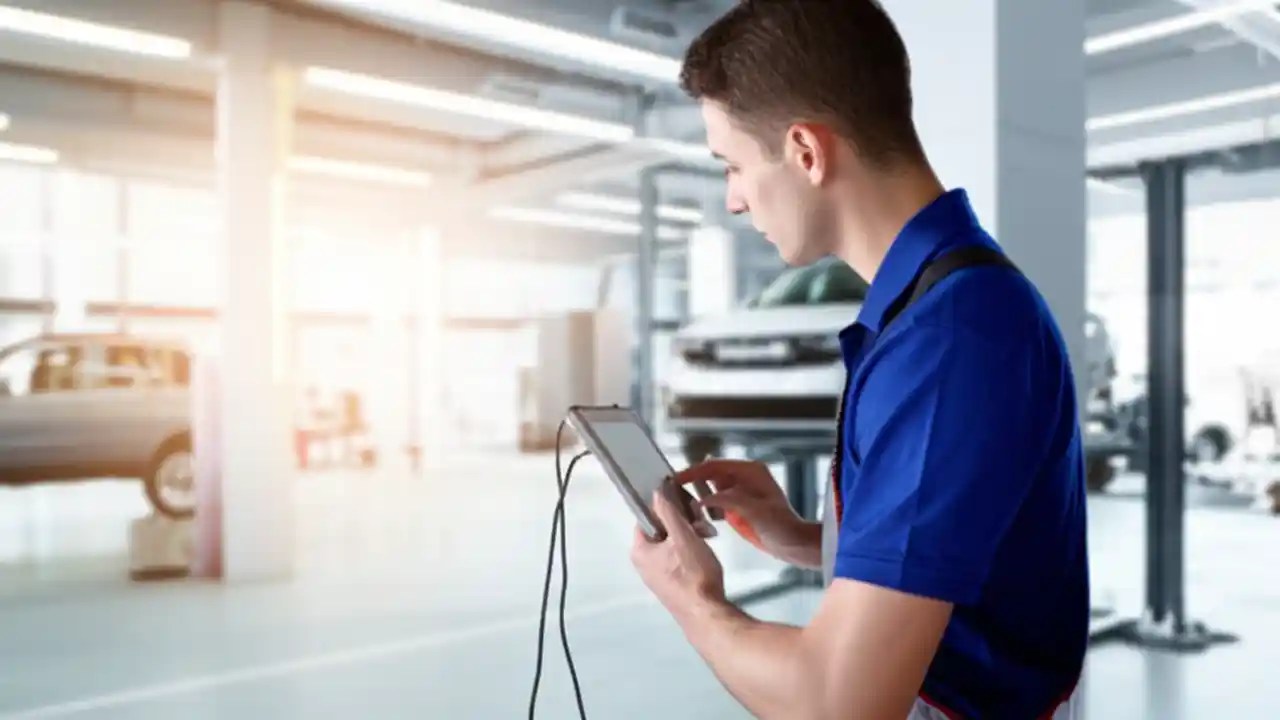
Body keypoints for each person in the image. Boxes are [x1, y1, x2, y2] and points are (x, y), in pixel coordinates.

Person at [628, 2, 1089, 718]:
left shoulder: (951, 339)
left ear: (807, 153)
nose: (735, 201)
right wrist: (803, 537)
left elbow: (840, 702)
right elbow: (954, 554)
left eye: (734, 166)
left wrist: (695, 601)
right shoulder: (930, 308)